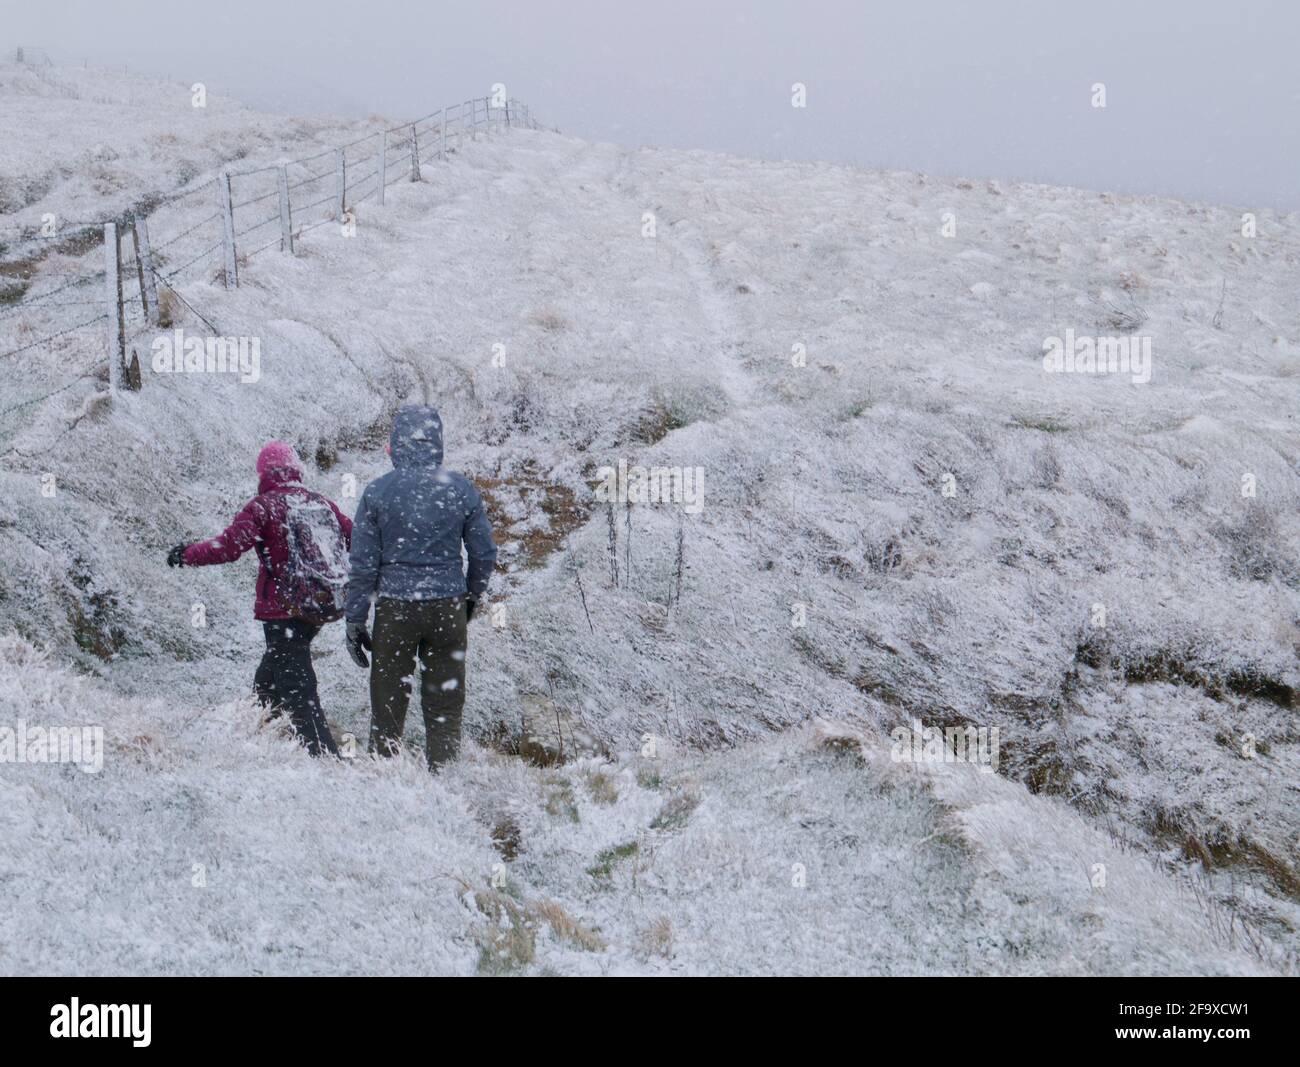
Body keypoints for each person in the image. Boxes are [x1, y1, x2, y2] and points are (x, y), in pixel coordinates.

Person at [167, 441, 352, 757]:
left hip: (283, 609)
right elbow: (357, 539)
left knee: (297, 687)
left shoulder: (263, 506)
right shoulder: (321, 503)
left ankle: (325, 757)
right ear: (296, 470)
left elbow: (228, 547)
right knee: (270, 677)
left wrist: (187, 554)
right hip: (318, 606)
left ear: (263, 473)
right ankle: (267, 735)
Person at [344, 405, 497, 770]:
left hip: (396, 609)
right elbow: (484, 553)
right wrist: (471, 597)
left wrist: (355, 619)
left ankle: (383, 778)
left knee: (388, 704)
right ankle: (445, 777)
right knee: (445, 706)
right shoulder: (460, 489)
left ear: (396, 443)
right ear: (437, 442)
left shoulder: (378, 492)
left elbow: (363, 565)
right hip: (447, 606)